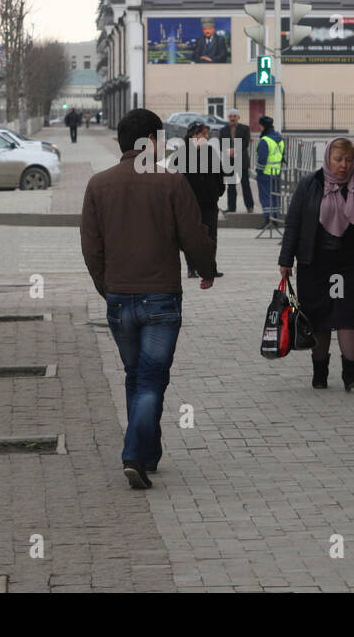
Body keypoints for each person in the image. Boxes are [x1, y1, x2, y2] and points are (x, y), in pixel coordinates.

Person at [81, 108, 218, 490]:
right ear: (151, 141)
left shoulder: (98, 184)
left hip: (119, 300)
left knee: (136, 376)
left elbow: (91, 247)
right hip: (160, 299)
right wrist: (206, 269)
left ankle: (148, 454)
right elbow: (193, 233)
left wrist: (106, 287)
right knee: (151, 379)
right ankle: (135, 454)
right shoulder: (171, 183)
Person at [279, 138, 354, 391]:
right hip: (314, 263)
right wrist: (285, 260)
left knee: (347, 316)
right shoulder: (309, 184)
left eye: (349, 160)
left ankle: (350, 374)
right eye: (338, 159)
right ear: (328, 159)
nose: (343, 166)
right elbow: (294, 224)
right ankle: (319, 373)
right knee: (318, 317)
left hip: (351, 264)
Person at [182, 121, 225, 279]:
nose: (206, 137)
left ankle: (210, 267)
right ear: (194, 136)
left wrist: (218, 191)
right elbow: (177, 178)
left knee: (211, 236)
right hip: (190, 203)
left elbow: (219, 175)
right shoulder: (183, 153)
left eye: (207, 134)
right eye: (203, 134)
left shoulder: (210, 152)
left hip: (209, 202)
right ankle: (191, 267)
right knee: (191, 235)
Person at [220, 108, 254, 214]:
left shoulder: (245, 128)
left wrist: (235, 150)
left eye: (234, 116)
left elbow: (246, 143)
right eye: (230, 116)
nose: (232, 118)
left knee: (245, 184)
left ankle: (249, 206)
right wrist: (227, 150)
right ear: (228, 118)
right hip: (229, 161)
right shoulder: (223, 130)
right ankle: (231, 208)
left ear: (238, 118)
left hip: (242, 161)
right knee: (231, 186)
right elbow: (221, 143)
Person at [255, 115, 284, 222]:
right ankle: (275, 218)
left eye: (260, 125)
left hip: (266, 173)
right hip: (277, 172)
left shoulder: (265, 140)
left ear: (263, 126)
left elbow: (262, 159)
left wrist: (258, 172)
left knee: (266, 196)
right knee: (275, 196)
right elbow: (282, 155)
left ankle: (268, 219)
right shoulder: (279, 138)